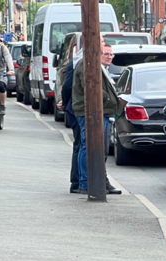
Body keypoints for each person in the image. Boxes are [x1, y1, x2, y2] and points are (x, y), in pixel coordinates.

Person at [72, 43, 122, 195]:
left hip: (100, 111)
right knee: (88, 146)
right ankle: (86, 182)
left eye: (111, 54)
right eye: (106, 53)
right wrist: (110, 100)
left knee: (99, 148)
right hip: (91, 111)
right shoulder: (87, 64)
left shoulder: (98, 66)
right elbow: (90, 87)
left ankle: (99, 180)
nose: (109, 57)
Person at [59, 44, 82, 193]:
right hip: (77, 109)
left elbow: (67, 87)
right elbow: (67, 87)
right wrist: (66, 101)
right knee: (80, 145)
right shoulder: (79, 62)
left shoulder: (77, 60)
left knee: (79, 145)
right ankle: (77, 181)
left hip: (73, 107)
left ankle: (77, 181)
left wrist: (65, 101)